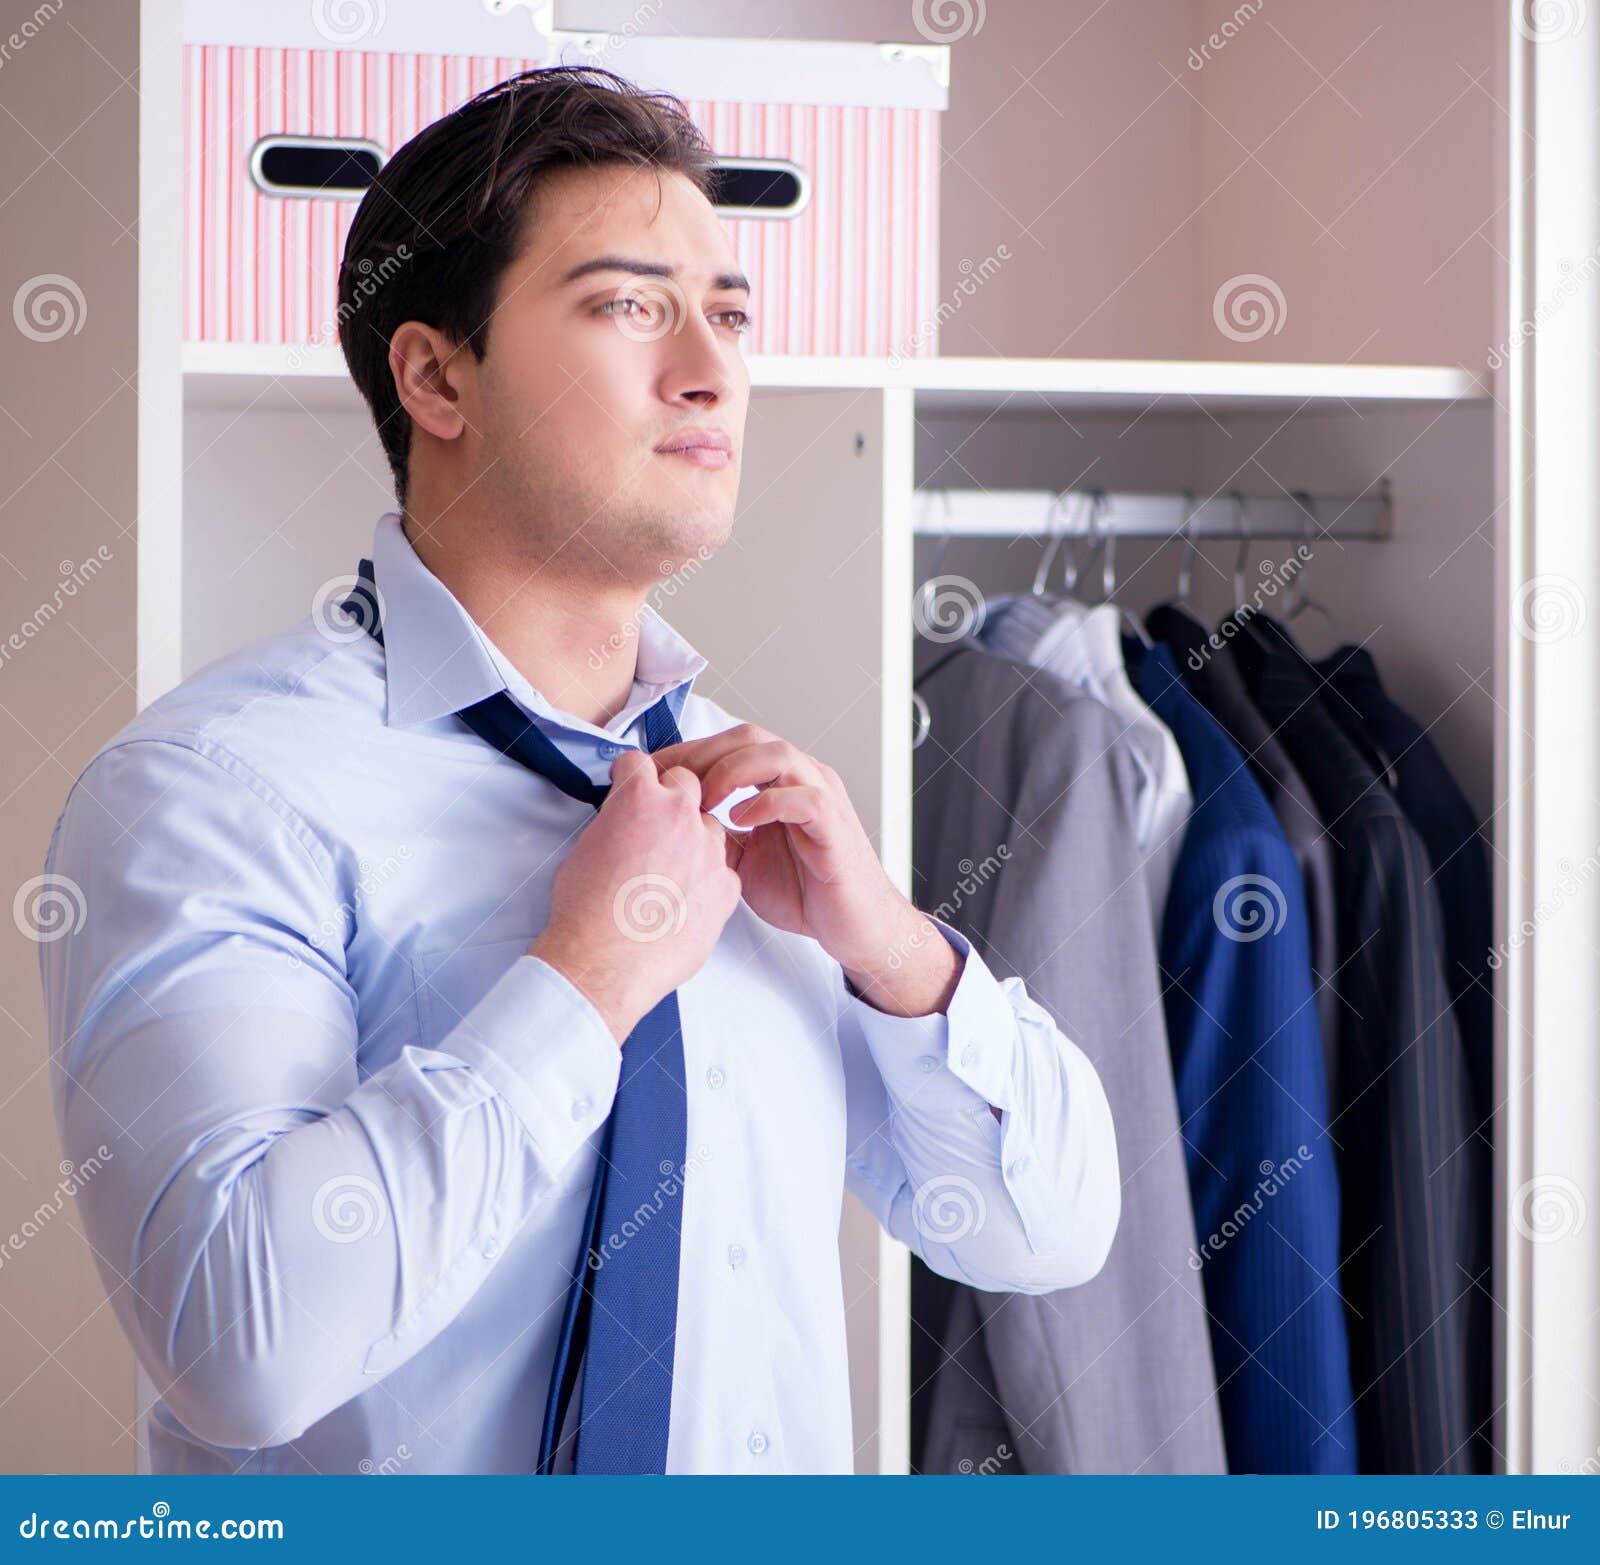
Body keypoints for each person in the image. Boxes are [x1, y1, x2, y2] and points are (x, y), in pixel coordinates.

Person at [39, 65, 1119, 1475]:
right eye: (628, 304)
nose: (711, 366)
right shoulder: (212, 793)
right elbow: (243, 1348)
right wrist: (587, 975)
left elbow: (1050, 1233)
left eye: (728, 313)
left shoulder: (761, 817)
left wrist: (900, 956)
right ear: (436, 374)